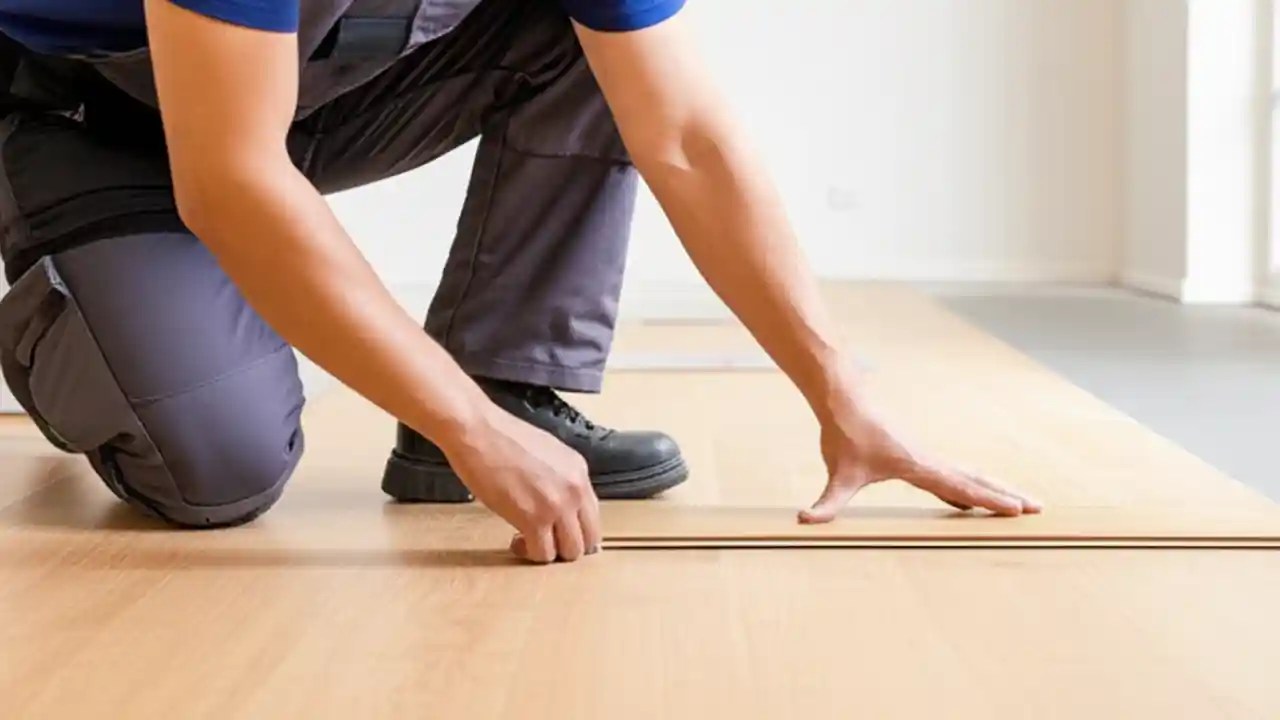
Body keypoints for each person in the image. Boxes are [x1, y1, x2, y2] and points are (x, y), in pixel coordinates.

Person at [0, 0, 1040, 563]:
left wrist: (840, 394)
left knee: (591, 43)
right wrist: (465, 430)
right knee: (215, 474)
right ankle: (82, 318)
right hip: (86, 120)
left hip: (285, 98)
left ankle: (507, 384)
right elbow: (230, 178)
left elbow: (681, 133)